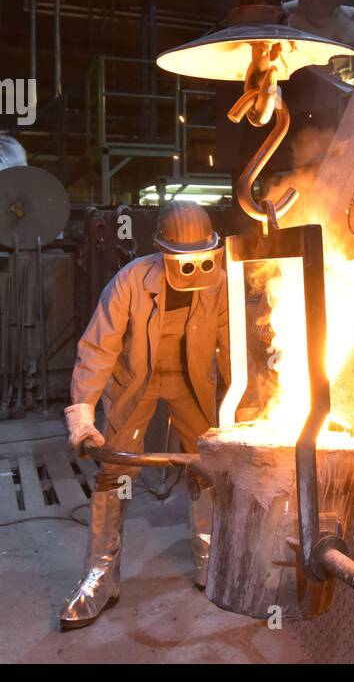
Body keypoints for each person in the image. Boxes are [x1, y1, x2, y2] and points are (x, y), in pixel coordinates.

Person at [59, 201, 231, 630]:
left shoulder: (218, 281)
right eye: (182, 261)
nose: (193, 268)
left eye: (200, 259)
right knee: (115, 469)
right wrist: (82, 416)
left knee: (207, 462)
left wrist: (247, 404)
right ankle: (101, 574)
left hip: (191, 382)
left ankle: (211, 558)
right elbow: (99, 349)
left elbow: (231, 345)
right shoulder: (130, 281)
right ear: (162, 252)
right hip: (136, 380)